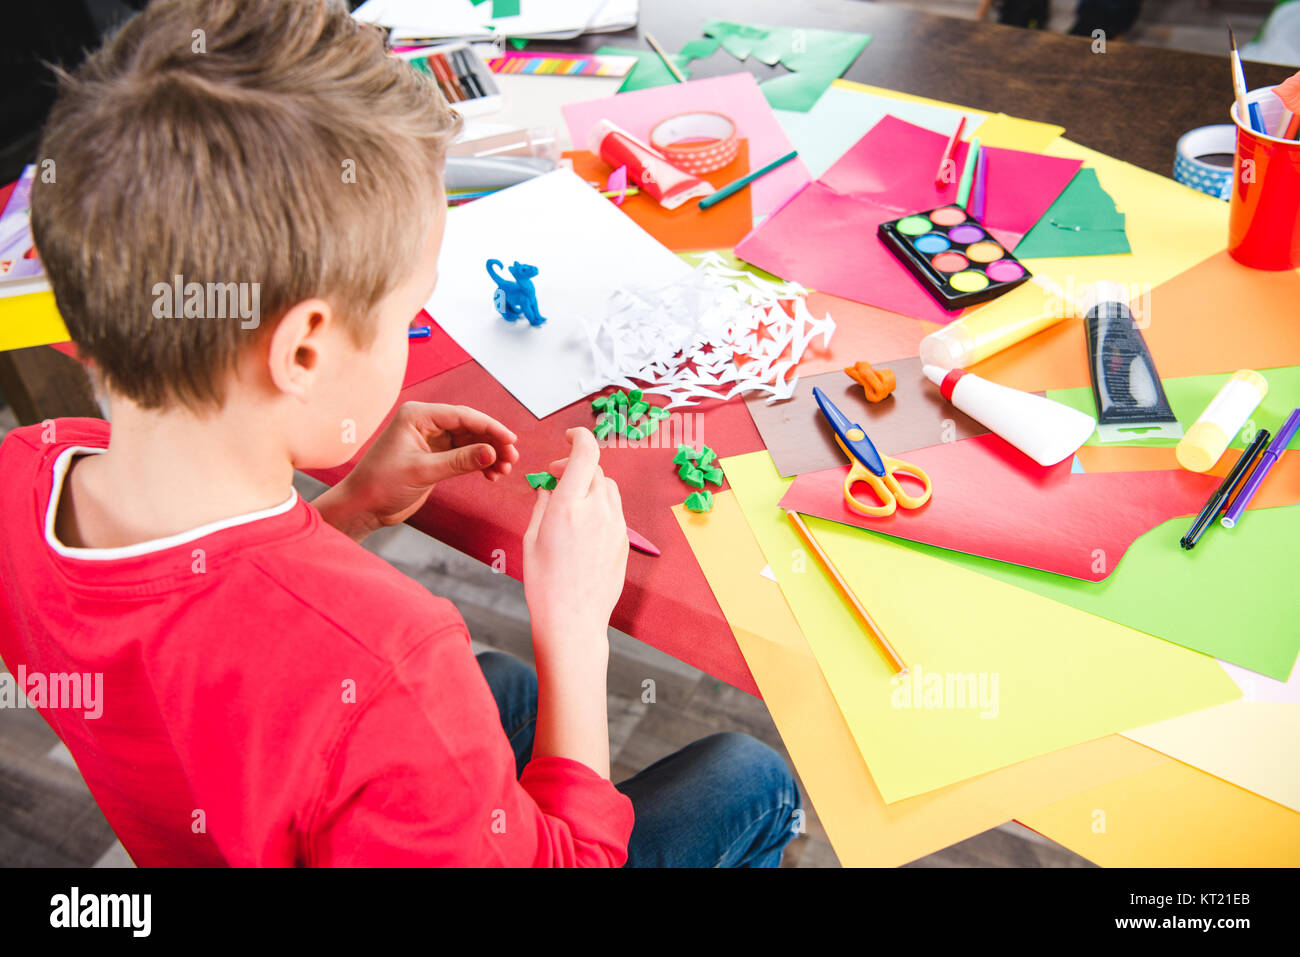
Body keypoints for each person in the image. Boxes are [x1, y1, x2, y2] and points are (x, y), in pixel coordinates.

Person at [0, 0, 800, 867]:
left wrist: (348, 510)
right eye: (407, 312)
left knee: (507, 690)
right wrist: (575, 626)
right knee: (750, 775)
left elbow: (200, 628)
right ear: (304, 348)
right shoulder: (394, 660)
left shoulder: (24, 472)